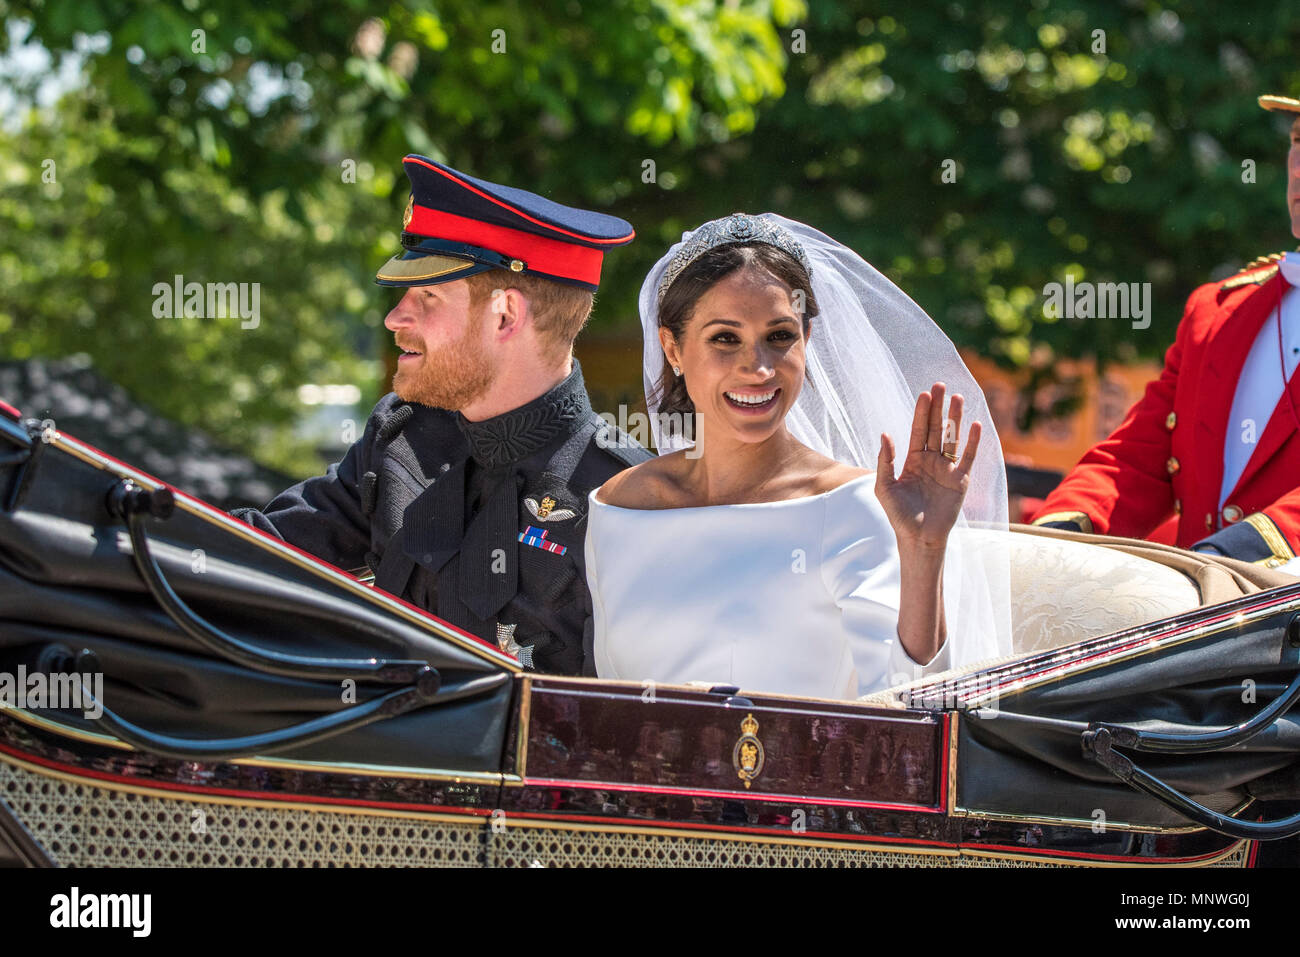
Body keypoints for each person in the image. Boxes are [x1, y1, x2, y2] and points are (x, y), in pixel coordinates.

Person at [233, 155, 650, 674]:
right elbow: (254, 555)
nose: (394, 318)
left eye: (426, 295)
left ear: (505, 315)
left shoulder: (628, 499)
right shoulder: (401, 438)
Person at [584, 213, 1012, 699]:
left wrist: (924, 552)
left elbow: (911, 712)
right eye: (725, 338)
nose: (758, 367)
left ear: (806, 340)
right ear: (673, 349)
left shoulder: (863, 506)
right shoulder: (618, 507)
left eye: (780, 336)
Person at [1032, 94, 1300, 569]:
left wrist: (1236, 552)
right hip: (1200, 626)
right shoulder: (1218, 310)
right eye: (1298, 143)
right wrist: (1054, 537)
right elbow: (1139, 459)